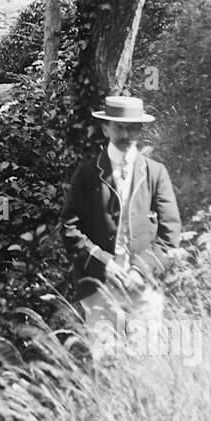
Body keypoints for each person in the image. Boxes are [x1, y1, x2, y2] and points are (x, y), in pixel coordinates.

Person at [59, 95, 182, 333]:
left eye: (133, 128)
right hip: (99, 287)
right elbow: (69, 229)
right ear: (106, 128)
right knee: (105, 364)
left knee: (144, 363)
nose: (126, 135)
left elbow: (170, 234)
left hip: (144, 288)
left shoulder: (156, 173)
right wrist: (105, 265)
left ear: (140, 129)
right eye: (119, 127)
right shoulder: (86, 174)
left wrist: (141, 269)